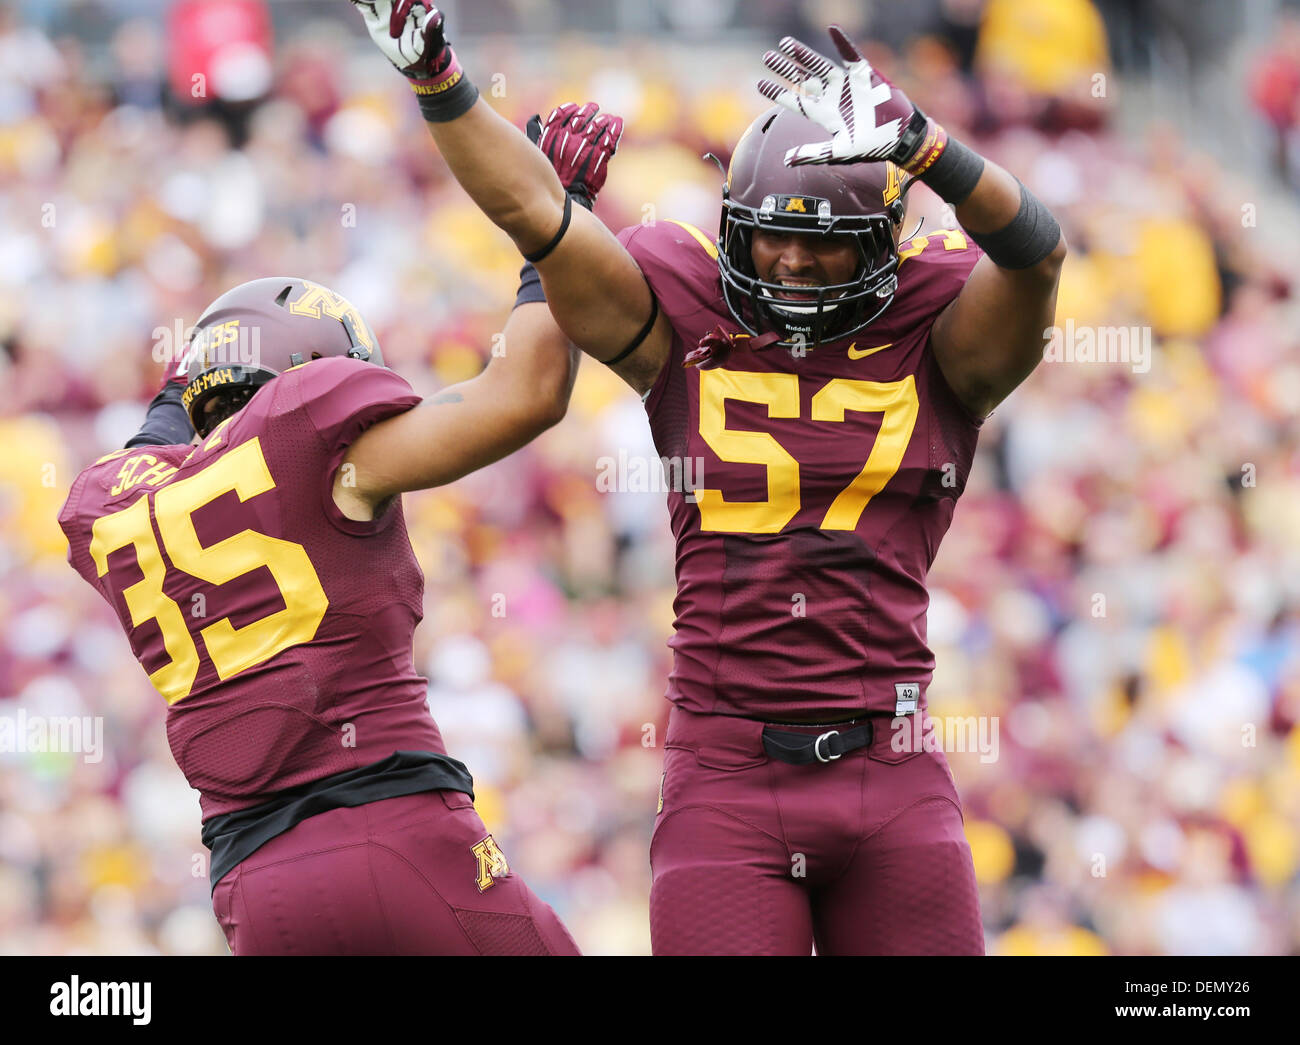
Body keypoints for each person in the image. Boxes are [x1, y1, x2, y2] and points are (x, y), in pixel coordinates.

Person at [352, 1, 1065, 954]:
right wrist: (437, 74)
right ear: (732, 226)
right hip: (727, 775)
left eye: (824, 241)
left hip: (891, 766)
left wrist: (927, 145)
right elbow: (539, 215)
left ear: (884, 246)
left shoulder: (941, 330)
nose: (795, 258)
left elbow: (1039, 252)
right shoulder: (682, 310)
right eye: (772, 233)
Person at [55, 105, 624, 956]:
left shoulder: (108, 501)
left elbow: (153, 445)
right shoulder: (313, 444)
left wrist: (194, 369)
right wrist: (557, 222)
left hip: (253, 884)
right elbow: (528, 394)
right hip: (397, 831)